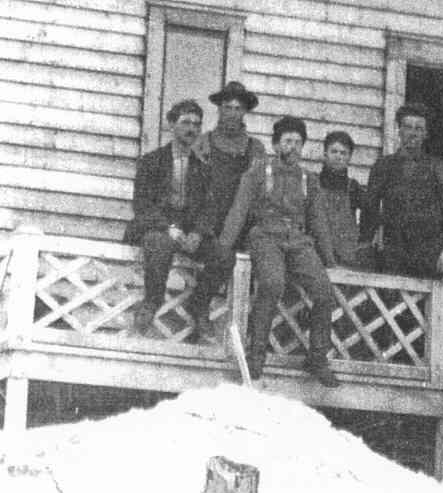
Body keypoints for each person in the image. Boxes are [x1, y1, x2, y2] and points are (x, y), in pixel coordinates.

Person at [209, 115, 341, 386]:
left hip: (298, 240)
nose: (292, 147)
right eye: (287, 141)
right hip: (265, 236)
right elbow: (239, 210)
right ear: (276, 144)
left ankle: (317, 357)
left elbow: (318, 220)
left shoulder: (309, 180)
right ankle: (257, 354)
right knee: (271, 283)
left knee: (325, 292)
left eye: (298, 142)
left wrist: (328, 259)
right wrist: (223, 245)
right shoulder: (258, 172)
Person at [123, 99, 229, 339]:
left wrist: (198, 233)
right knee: (158, 243)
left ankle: (200, 305)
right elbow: (142, 205)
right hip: (157, 227)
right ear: (172, 124)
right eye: (185, 123)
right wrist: (168, 228)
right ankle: (152, 301)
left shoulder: (203, 169)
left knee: (223, 255)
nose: (191, 129)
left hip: (187, 232)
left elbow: (209, 209)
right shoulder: (151, 161)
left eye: (197, 124)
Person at [361, 102, 443, 277]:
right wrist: (370, 239)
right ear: (399, 131)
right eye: (408, 127)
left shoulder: (437, 167)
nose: (413, 133)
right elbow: (369, 207)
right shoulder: (384, 165)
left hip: (427, 253)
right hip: (393, 252)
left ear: (425, 133)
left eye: (419, 128)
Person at [197, 80, 266, 226]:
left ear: (244, 112)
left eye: (238, 108)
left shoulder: (255, 148)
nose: (232, 114)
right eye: (228, 108)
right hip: (206, 223)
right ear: (219, 109)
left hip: (241, 223)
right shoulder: (202, 143)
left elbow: (259, 193)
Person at [318, 129, 372, 270]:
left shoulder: (352, 187)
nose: (338, 157)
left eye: (343, 153)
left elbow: (371, 212)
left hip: (346, 257)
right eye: (334, 152)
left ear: (349, 158)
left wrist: (362, 242)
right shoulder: (314, 183)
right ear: (325, 154)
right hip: (317, 254)